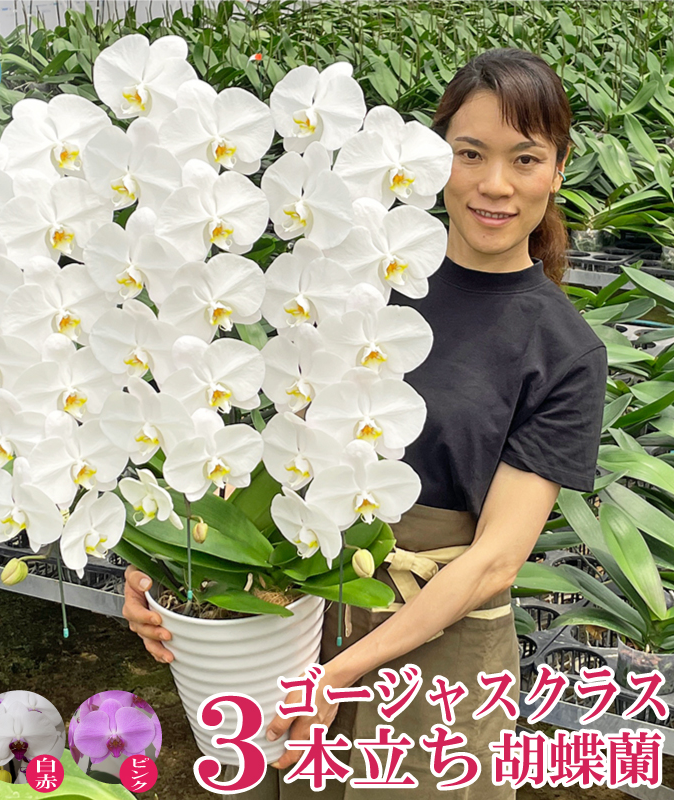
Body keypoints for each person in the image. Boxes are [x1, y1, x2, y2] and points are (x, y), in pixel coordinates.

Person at [122, 47, 608, 799]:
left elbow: (494, 560)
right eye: (470, 153)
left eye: (525, 158)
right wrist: (178, 572)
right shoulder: (351, 279)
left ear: (558, 168)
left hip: (441, 630)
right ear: (430, 158)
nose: (495, 184)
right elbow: (270, 447)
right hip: (306, 596)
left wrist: (340, 673)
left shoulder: (564, 351)